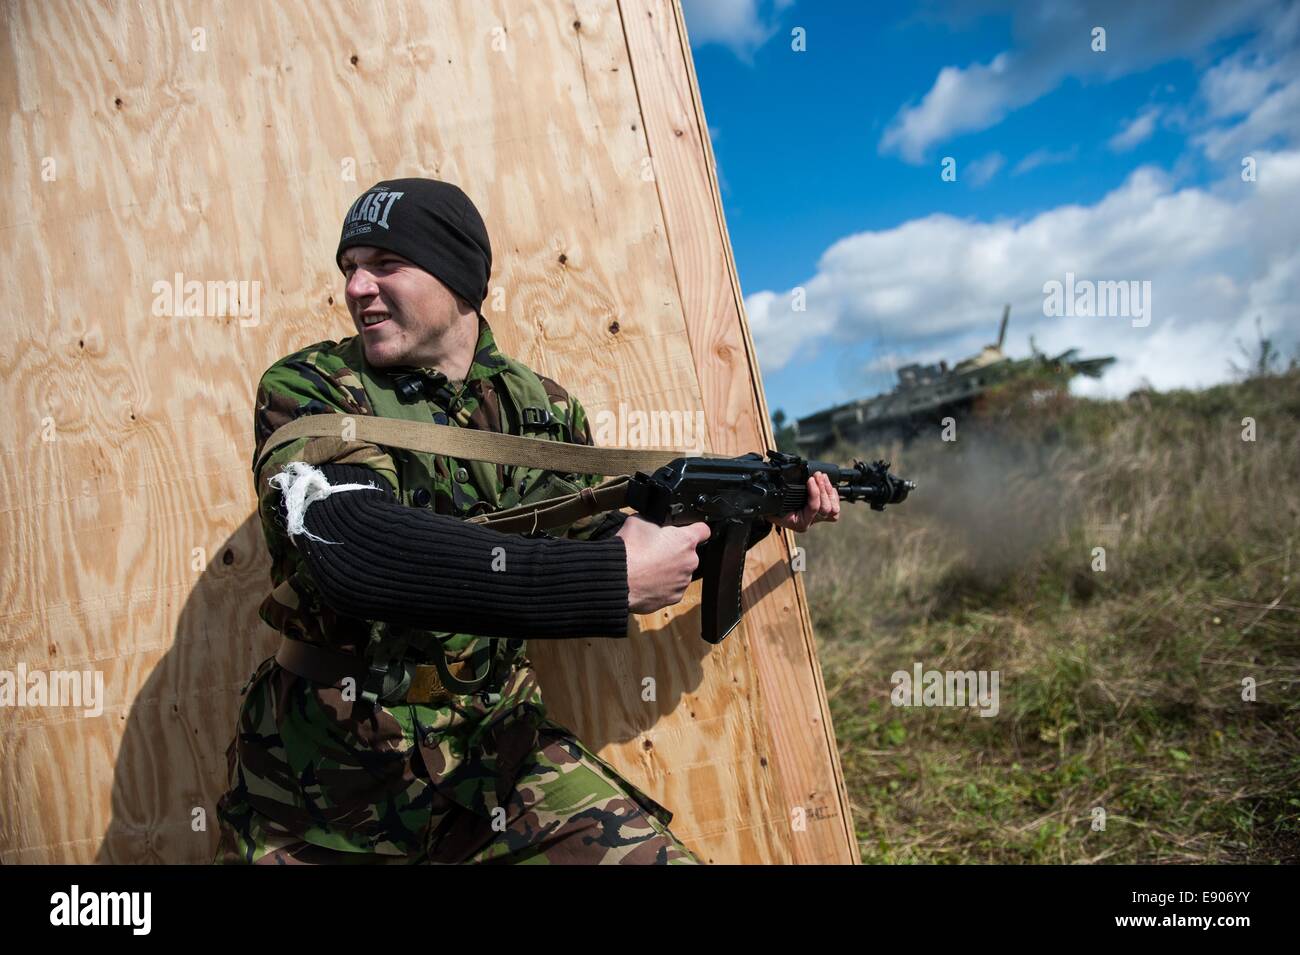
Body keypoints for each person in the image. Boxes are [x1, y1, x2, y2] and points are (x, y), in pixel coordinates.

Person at [213, 178, 840, 865]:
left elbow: (600, 539)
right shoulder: (313, 385)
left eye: (385, 264)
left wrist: (746, 516)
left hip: (496, 764)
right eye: (349, 268)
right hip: (321, 792)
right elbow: (352, 549)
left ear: (458, 277)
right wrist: (610, 578)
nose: (357, 287)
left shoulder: (541, 408)